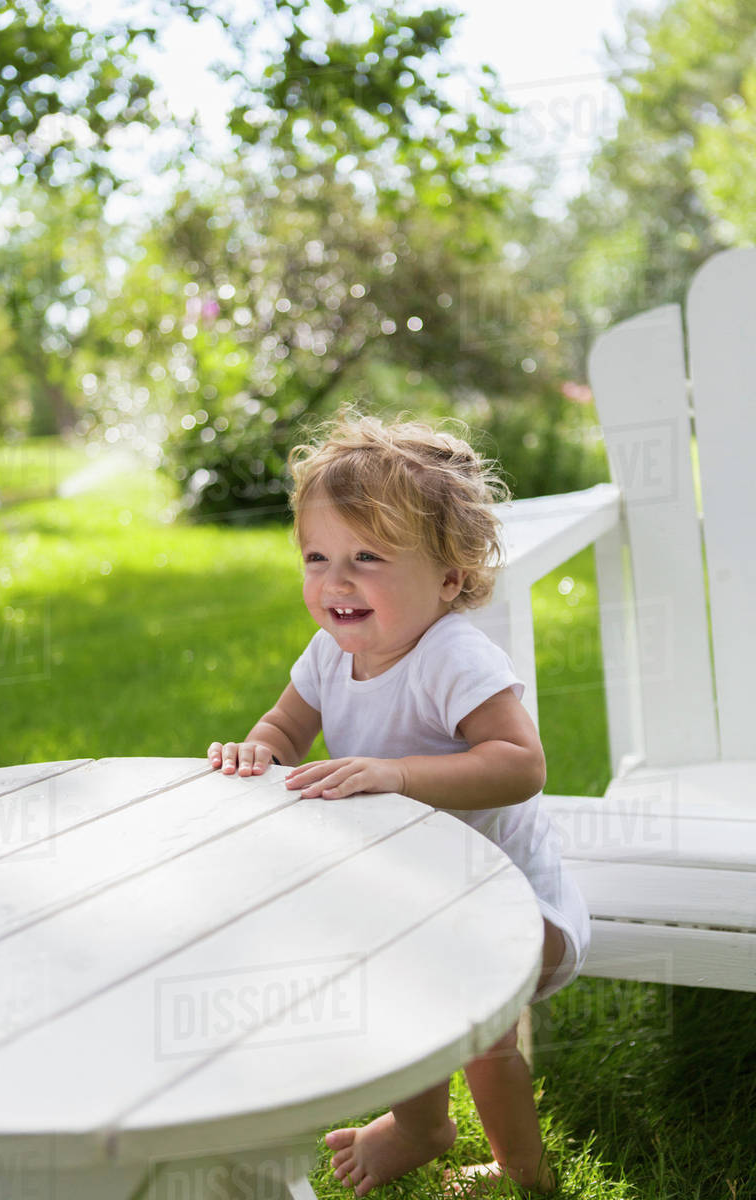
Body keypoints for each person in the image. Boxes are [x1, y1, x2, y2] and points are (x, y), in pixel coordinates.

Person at [207, 412, 590, 1196]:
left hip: (515, 910)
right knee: (397, 992)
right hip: (424, 899)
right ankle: (424, 1127)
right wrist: (259, 749)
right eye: (318, 557)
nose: (335, 582)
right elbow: (286, 726)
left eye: (367, 558)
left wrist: (399, 774)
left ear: (449, 579)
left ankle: (526, 1172)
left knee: (477, 1035)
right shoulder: (329, 652)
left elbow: (521, 764)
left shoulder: (452, 656)